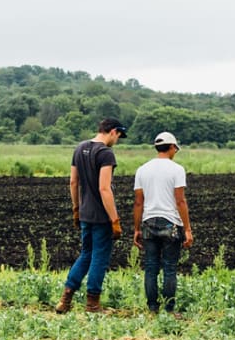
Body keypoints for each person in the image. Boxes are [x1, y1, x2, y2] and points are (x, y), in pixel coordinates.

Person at [55, 117, 127, 314]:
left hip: (85, 213)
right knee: (99, 258)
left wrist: (76, 209)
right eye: (118, 135)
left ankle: (65, 299)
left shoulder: (79, 148)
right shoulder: (105, 154)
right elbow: (104, 188)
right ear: (112, 131)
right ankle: (92, 304)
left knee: (86, 254)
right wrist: (115, 220)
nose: (117, 140)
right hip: (101, 216)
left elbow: (73, 182)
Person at [132, 131, 193, 313]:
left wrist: (136, 229)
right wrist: (187, 229)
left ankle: (152, 308)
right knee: (169, 268)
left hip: (148, 223)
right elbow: (180, 201)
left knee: (151, 267)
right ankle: (169, 309)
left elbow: (138, 202)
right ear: (172, 147)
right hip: (171, 223)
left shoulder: (142, 169)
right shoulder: (177, 169)